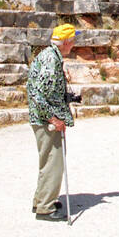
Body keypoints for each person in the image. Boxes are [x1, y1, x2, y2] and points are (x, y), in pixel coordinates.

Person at [27, 23, 77, 221]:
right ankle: (45, 208)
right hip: (45, 119)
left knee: (48, 160)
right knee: (53, 162)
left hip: (43, 117)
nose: (74, 44)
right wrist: (54, 119)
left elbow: (48, 90)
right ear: (65, 42)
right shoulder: (51, 60)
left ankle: (41, 200)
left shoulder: (51, 55)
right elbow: (38, 95)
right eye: (72, 40)